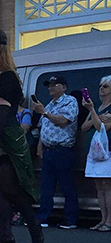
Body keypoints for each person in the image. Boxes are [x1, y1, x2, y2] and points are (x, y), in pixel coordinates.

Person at [0, 29, 42, 243]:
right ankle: (5, 234)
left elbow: (5, 112)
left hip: (5, 138)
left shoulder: (8, 78)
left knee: (10, 188)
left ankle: (34, 228)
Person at [32, 73, 80, 229]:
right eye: (50, 86)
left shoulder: (69, 101)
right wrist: (40, 144)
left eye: (55, 85)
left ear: (64, 87)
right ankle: (42, 217)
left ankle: (70, 219)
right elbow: (43, 126)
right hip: (48, 150)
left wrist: (44, 112)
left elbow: (63, 121)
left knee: (67, 186)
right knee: (46, 187)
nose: (51, 88)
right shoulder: (50, 104)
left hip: (63, 150)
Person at [81, 75, 111, 231]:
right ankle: (102, 218)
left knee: (107, 185)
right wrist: (96, 114)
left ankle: (109, 221)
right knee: (99, 186)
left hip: (108, 151)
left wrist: (92, 111)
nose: (101, 88)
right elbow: (84, 127)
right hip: (94, 152)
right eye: (100, 85)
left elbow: (102, 128)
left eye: (105, 86)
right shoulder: (99, 107)